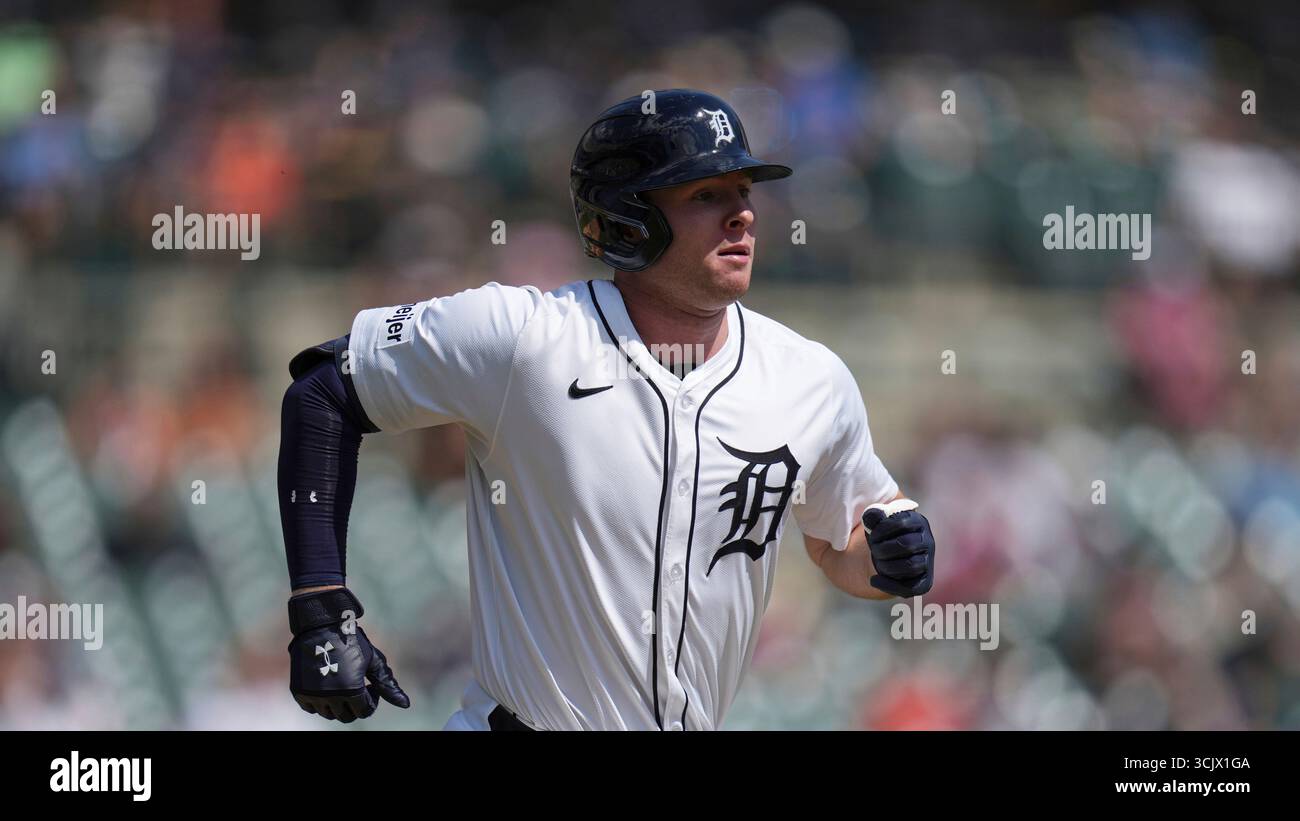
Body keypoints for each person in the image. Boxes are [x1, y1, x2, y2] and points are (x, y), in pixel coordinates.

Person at [277, 89, 936, 731]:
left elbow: (839, 541)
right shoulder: (524, 338)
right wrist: (318, 603)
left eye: (744, 191)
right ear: (629, 217)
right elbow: (323, 390)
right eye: (707, 194)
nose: (743, 215)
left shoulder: (808, 377)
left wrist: (890, 561)